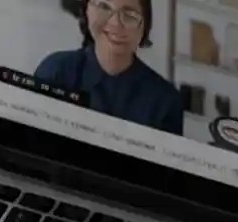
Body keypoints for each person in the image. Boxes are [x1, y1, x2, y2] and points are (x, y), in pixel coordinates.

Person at [35, 0, 183, 135]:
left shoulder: (165, 101)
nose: (116, 23)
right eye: (104, 7)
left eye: (130, 14)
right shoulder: (55, 71)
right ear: (86, 10)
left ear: (145, 25)